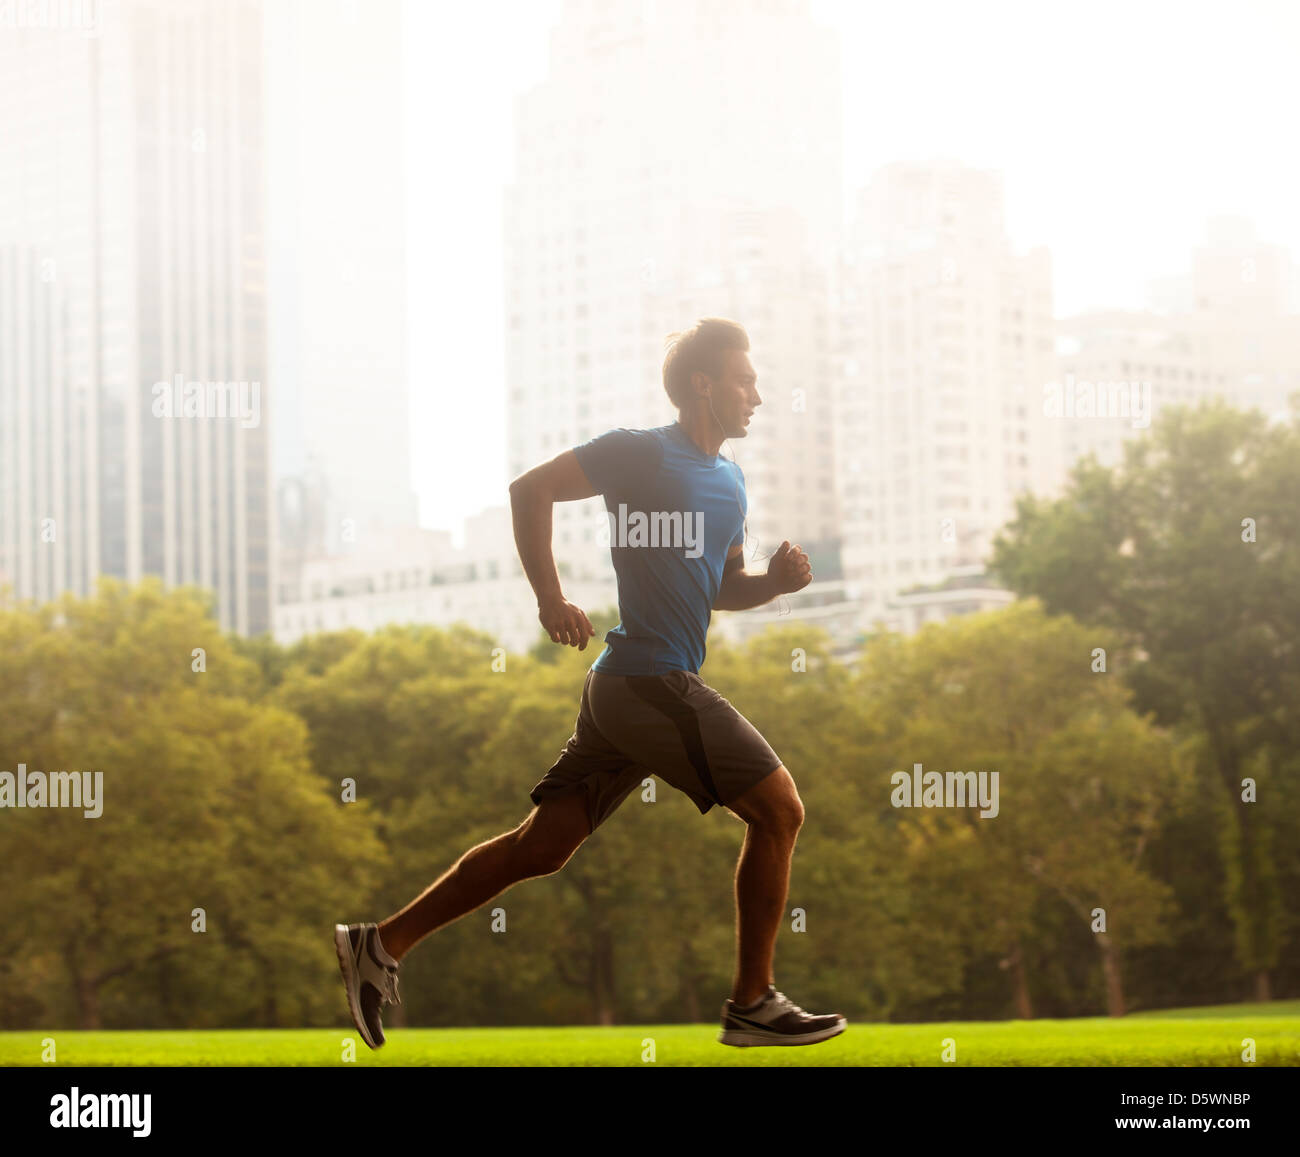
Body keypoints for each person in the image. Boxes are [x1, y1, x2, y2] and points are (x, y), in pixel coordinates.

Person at [335, 317, 846, 1049]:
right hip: (647, 680)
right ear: (704, 385)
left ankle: (378, 944)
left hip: (627, 693)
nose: (758, 395)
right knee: (781, 810)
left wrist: (774, 583)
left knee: (540, 848)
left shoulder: (731, 484)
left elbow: (722, 587)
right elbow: (529, 489)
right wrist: (549, 596)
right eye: (745, 380)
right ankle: (753, 1000)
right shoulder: (640, 454)